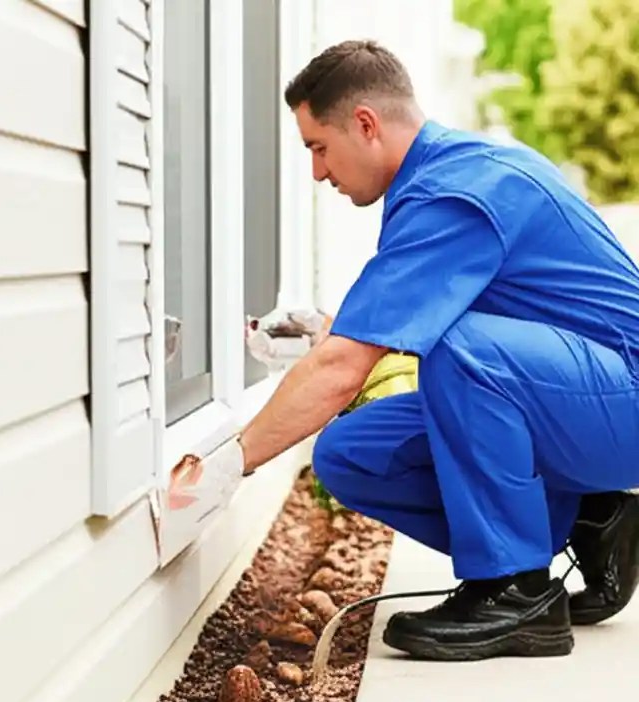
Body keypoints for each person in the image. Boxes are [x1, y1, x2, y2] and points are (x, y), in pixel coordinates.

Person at [207, 39, 639, 662]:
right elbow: (384, 331)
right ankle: (586, 518)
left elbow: (345, 368)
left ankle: (514, 592)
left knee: (460, 348)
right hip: (575, 397)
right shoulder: (442, 176)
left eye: (318, 148)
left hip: (622, 399)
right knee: (353, 454)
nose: (317, 172)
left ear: (365, 124)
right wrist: (329, 330)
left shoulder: (455, 193)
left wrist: (228, 464)